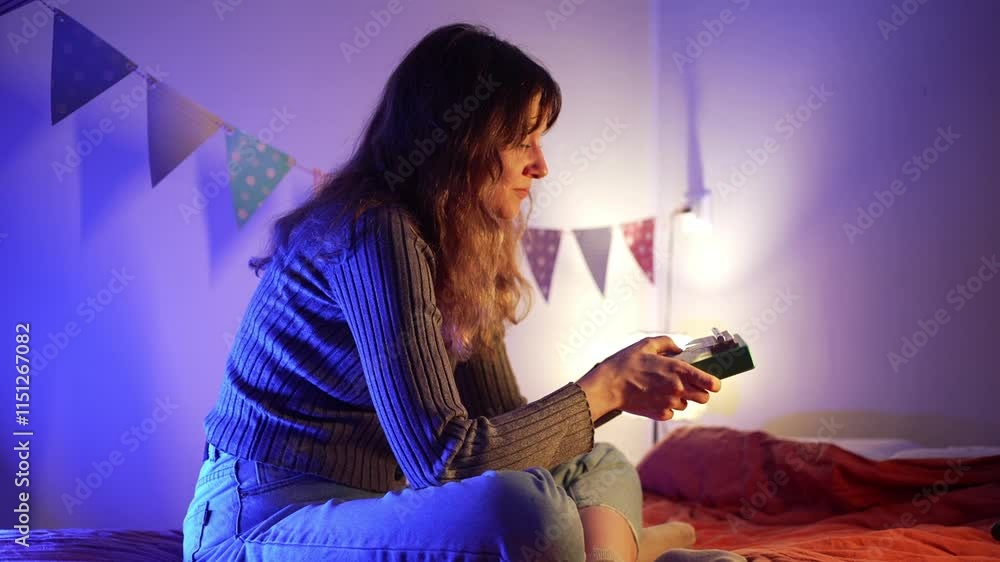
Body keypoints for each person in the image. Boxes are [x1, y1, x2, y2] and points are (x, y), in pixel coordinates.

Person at [182, 22, 723, 562]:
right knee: (531, 510)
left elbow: (502, 421)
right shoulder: (374, 229)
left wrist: (615, 395)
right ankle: (629, 550)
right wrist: (605, 388)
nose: (541, 166)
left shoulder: (464, 252)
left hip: (378, 501)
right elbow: (442, 459)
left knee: (599, 463)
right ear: (461, 141)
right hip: (266, 512)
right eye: (522, 141)